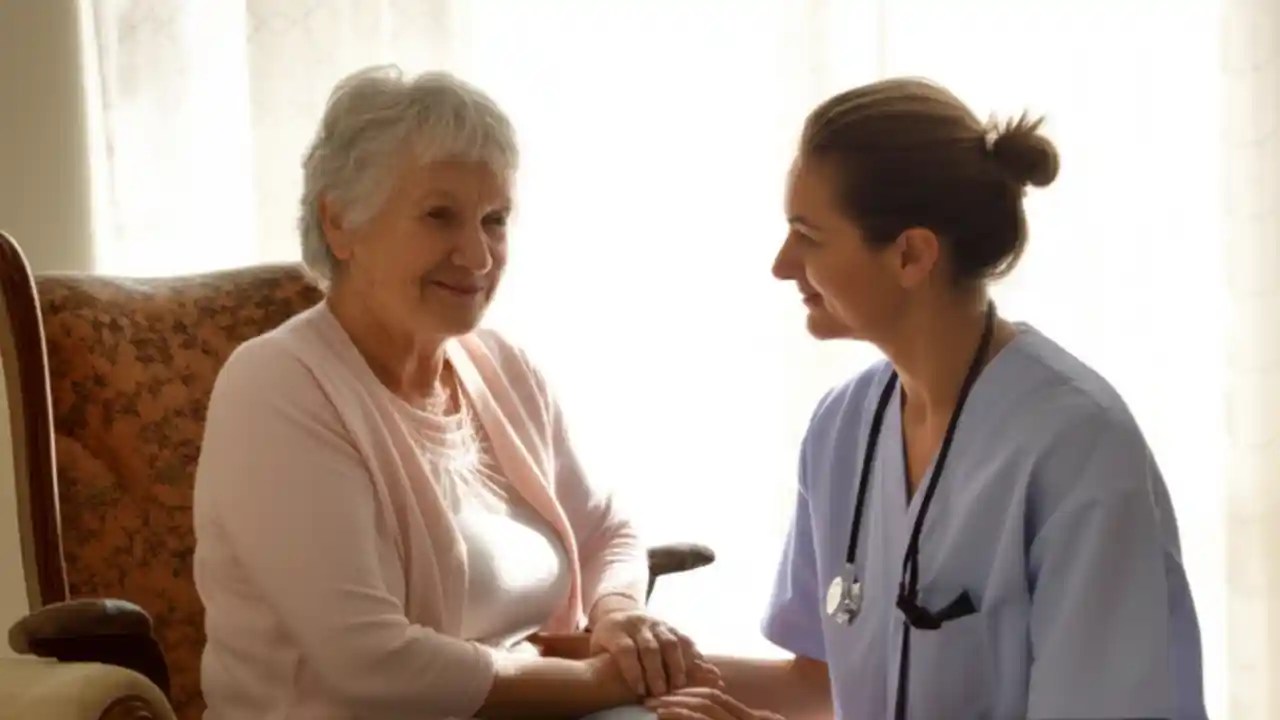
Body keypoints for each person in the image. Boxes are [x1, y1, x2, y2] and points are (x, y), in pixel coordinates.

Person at [646, 78, 1207, 720]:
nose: (781, 263)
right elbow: (819, 688)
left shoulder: (1076, 448)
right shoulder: (843, 427)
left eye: (808, 234)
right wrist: (616, 669)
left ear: (911, 254)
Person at [192, 65, 718, 719]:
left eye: (495, 220)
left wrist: (619, 613)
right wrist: (606, 683)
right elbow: (370, 663)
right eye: (440, 216)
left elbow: (608, 530)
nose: (477, 255)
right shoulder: (276, 386)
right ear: (340, 224)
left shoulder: (503, 367)